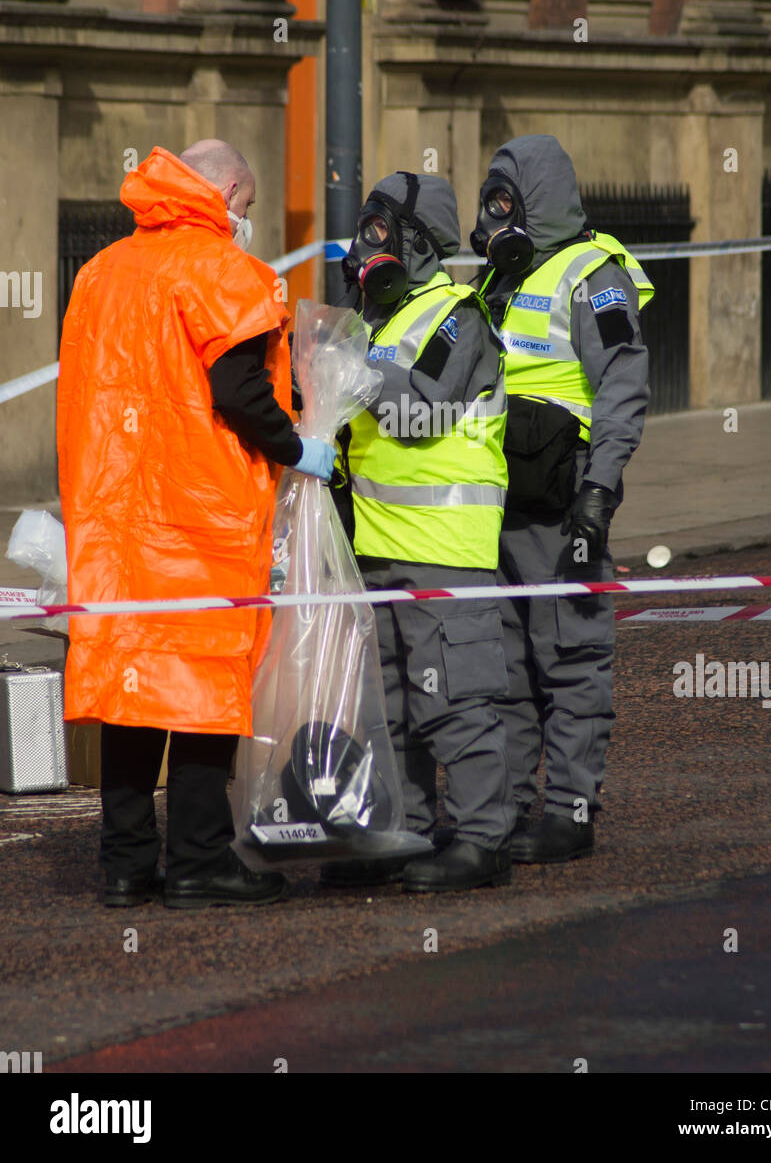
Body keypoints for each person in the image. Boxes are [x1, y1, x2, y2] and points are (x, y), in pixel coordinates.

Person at [58, 141, 335, 910]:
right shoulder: (223, 272)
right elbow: (240, 392)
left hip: (114, 519)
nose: (245, 221)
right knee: (204, 692)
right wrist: (296, 448)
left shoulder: (100, 271)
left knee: (130, 685)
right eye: (245, 208)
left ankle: (124, 866)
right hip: (198, 517)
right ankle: (199, 861)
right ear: (233, 191)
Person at [323, 171, 516, 893]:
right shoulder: (375, 321)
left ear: (417, 242)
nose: (363, 248)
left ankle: (480, 840)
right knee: (391, 703)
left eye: (379, 232)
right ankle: (398, 830)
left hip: (444, 551)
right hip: (375, 545)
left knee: (456, 702)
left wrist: (352, 373)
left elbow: (425, 409)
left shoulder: (455, 318)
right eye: (363, 231)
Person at [470, 135, 654, 863]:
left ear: (537, 202)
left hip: (563, 498)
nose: (493, 218)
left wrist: (597, 496)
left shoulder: (594, 275)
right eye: (490, 203)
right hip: (500, 503)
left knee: (570, 657)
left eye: (504, 203)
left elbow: (623, 387)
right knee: (509, 664)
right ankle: (513, 807)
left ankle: (570, 812)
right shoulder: (498, 282)